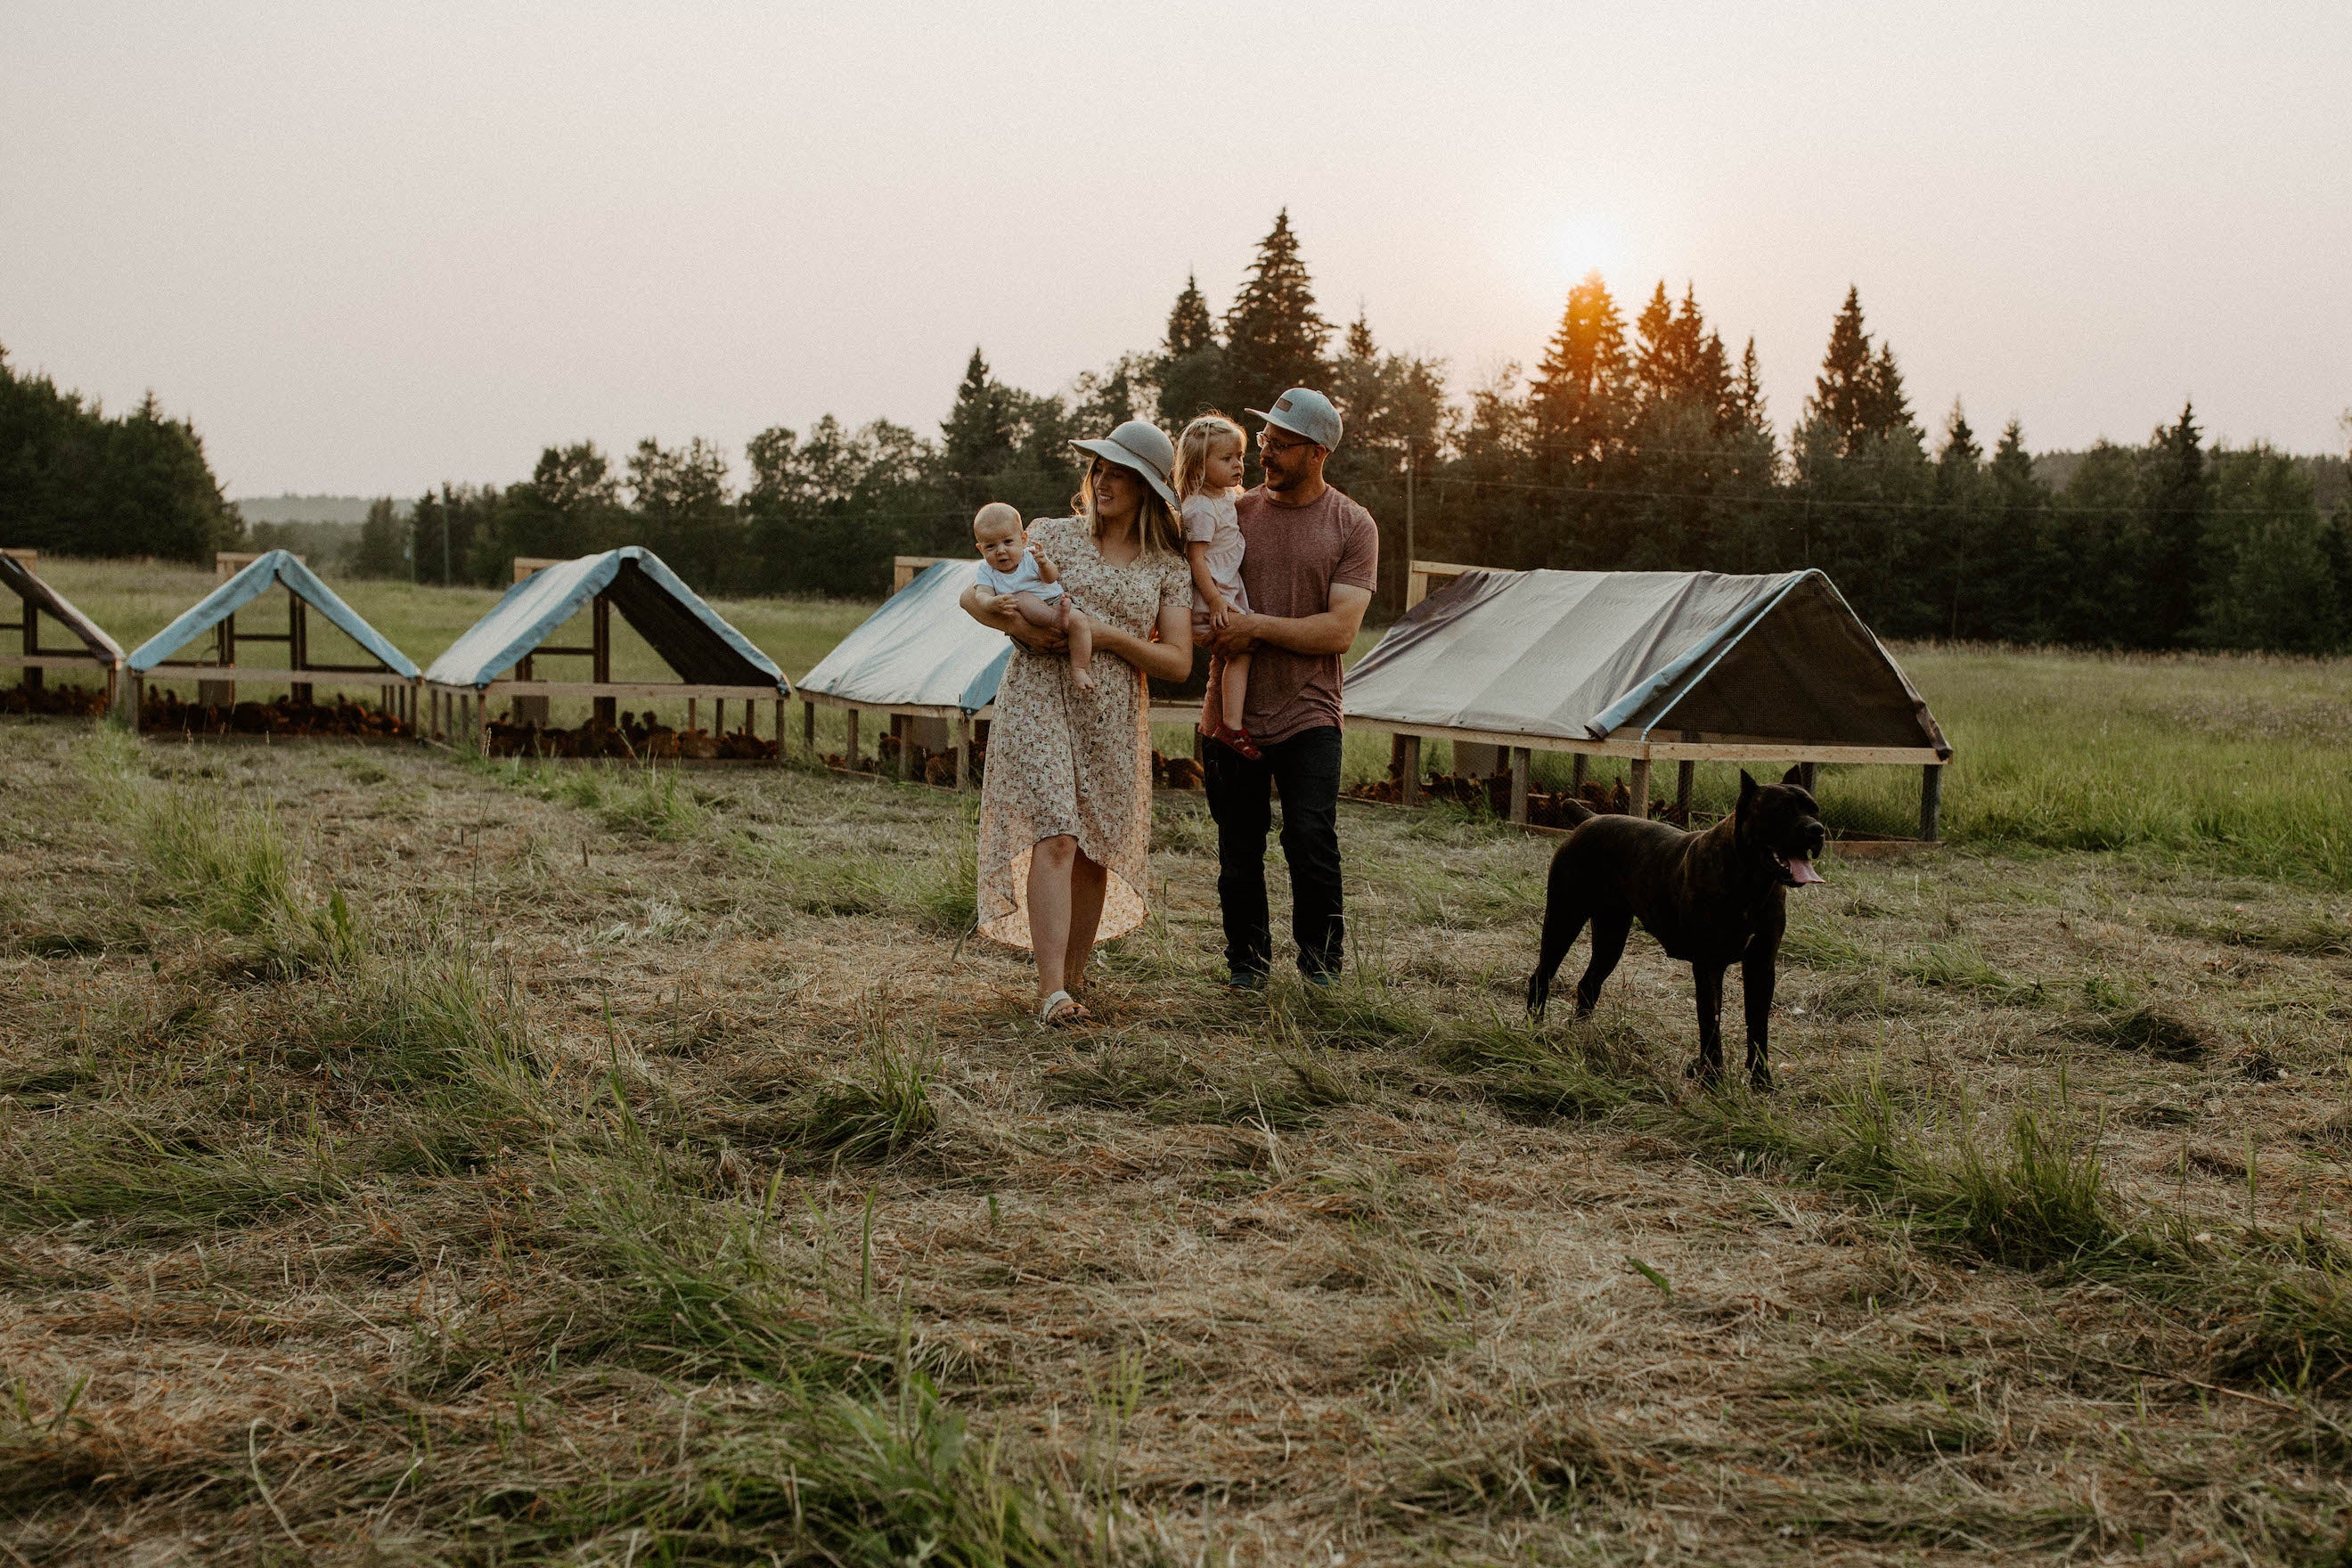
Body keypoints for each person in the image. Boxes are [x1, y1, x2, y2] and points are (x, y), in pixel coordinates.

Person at [960, 421, 1193, 1026]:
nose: (1103, 480)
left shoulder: (1168, 566)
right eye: (1099, 469)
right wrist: (1012, 622)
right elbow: (982, 597)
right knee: (1058, 835)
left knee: (1093, 847)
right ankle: (1050, 992)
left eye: (1119, 473)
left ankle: (1074, 980)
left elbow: (1177, 661)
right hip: (1039, 694)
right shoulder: (1049, 535)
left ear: (1147, 488)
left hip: (1112, 711)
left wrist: (1109, 637)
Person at [1200, 388, 1376, 988]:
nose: (1265, 452)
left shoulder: (1352, 525)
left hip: (1310, 712)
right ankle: (1246, 967)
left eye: (1281, 443)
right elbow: (1201, 593)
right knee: (1239, 848)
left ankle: (1321, 969)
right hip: (1232, 713)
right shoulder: (1234, 514)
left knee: (1310, 838)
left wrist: (1254, 627)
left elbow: (1340, 631)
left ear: (1318, 452)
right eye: (1265, 439)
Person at [1174, 414, 1256, 755]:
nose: (1238, 465)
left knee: (1237, 652)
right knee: (1241, 650)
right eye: (1226, 458)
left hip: (1223, 591)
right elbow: (1196, 560)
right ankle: (1231, 726)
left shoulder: (1224, 496)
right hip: (1211, 598)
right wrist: (1215, 600)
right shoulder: (1201, 509)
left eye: (1240, 456)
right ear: (1198, 466)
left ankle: (1230, 723)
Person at [969, 501, 1095, 692]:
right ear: (980, 549)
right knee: (1022, 597)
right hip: (1028, 621)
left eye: (1008, 542)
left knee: (1079, 620)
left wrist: (1044, 565)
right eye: (991, 546)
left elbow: (1051, 578)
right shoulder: (986, 571)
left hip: (1054, 603)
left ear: (1023, 539)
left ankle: (1079, 668)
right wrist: (992, 602)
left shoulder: (1030, 557)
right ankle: (1055, 619)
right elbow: (981, 596)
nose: (1001, 551)